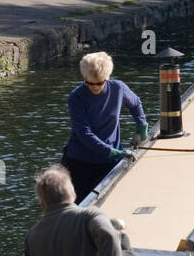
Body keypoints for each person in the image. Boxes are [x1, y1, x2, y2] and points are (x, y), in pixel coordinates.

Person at [61, 51, 149, 203]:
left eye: (100, 83)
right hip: (80, 162)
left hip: (108, 162)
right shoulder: (76, 97)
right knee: (76, 207)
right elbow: (84, 134)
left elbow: (135, 104)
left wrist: (141, 127)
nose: (95, 87)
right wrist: (113, 152)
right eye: (90, 83)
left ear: (107, 78)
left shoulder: (118, 88)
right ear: (84, 78)